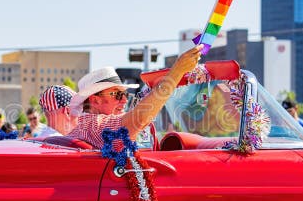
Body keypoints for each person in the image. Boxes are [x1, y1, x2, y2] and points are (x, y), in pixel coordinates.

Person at [66, 45, 202, 148]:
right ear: (95, 100)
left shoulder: (85, 124)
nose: (125, 99)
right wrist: (177, 71)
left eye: (125, 94)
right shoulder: (90, 123)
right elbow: (140, 119)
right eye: (117, 94)